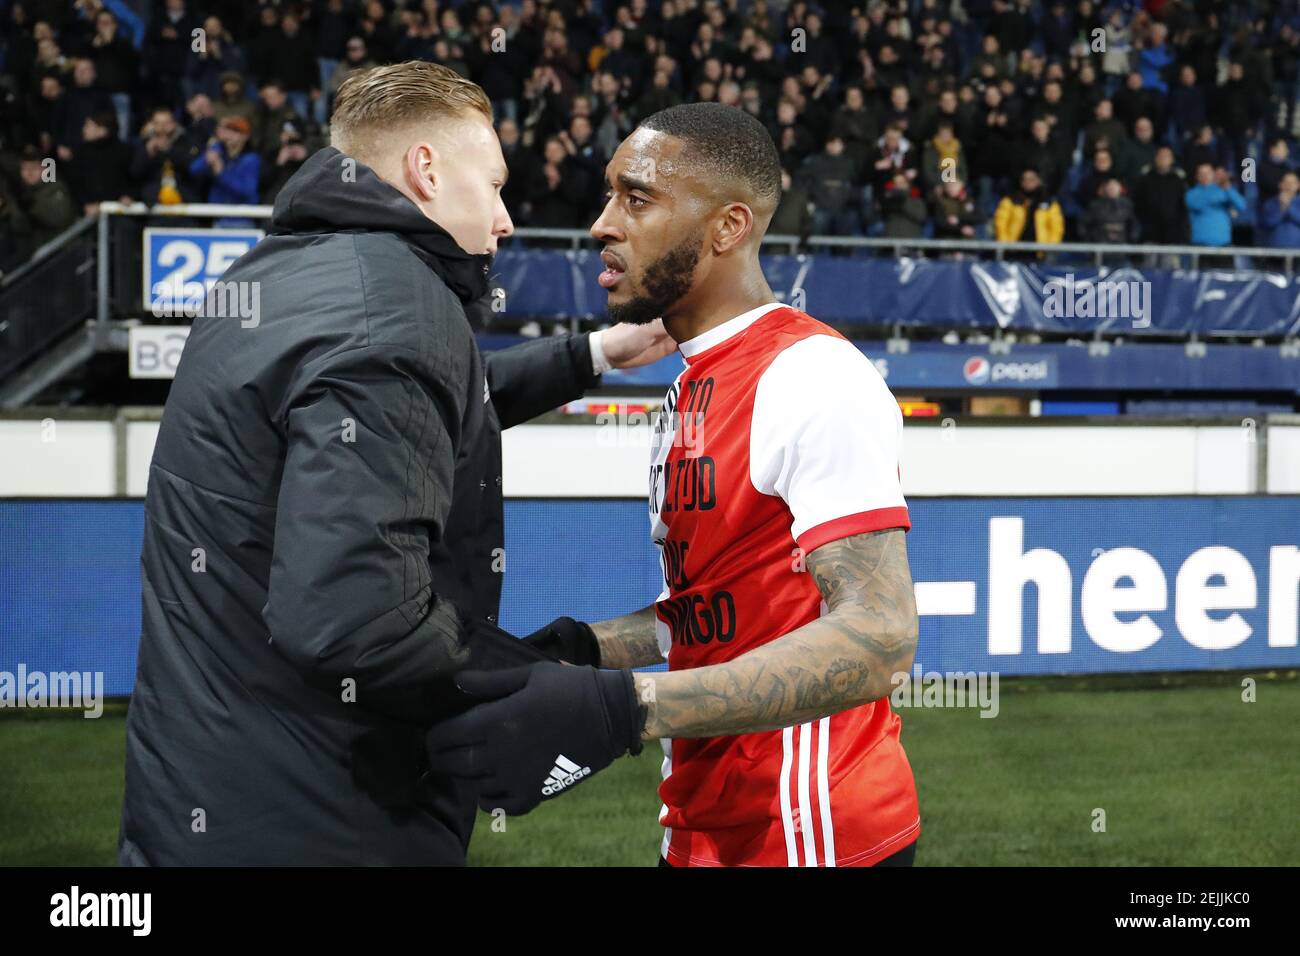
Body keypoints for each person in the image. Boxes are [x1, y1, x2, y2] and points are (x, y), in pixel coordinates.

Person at [119, 62, 671, 867]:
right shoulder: (399, 311)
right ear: (425, 169)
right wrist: (570, 687)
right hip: (321, 820)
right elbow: (355, 624)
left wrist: (588, 355)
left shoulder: (274, 278)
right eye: (493, 185)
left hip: (199, 791)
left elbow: (405, 402)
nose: (508, 220)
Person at [425, 103, 921, 869]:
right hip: (704, 823)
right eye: (609, 195)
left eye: (637, 197)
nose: (601, 224)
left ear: (727, 228)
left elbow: (880, 637)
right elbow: (715, 610)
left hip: (810, 832)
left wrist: (628, 707)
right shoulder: (690, 387)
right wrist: (590, 651)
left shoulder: (812, 376)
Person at [1185, 163, 1245, 248]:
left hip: (1224, 243)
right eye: (1202, 173)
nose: (1205, 176)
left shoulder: (1224, 190)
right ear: (1197, 176)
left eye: (1208, 173)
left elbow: (1241, 206)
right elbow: (1198, 205)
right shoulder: (1191, 194)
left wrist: (1228, 187)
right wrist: (1213, 187)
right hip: (1200, 245)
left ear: (1213, 174)